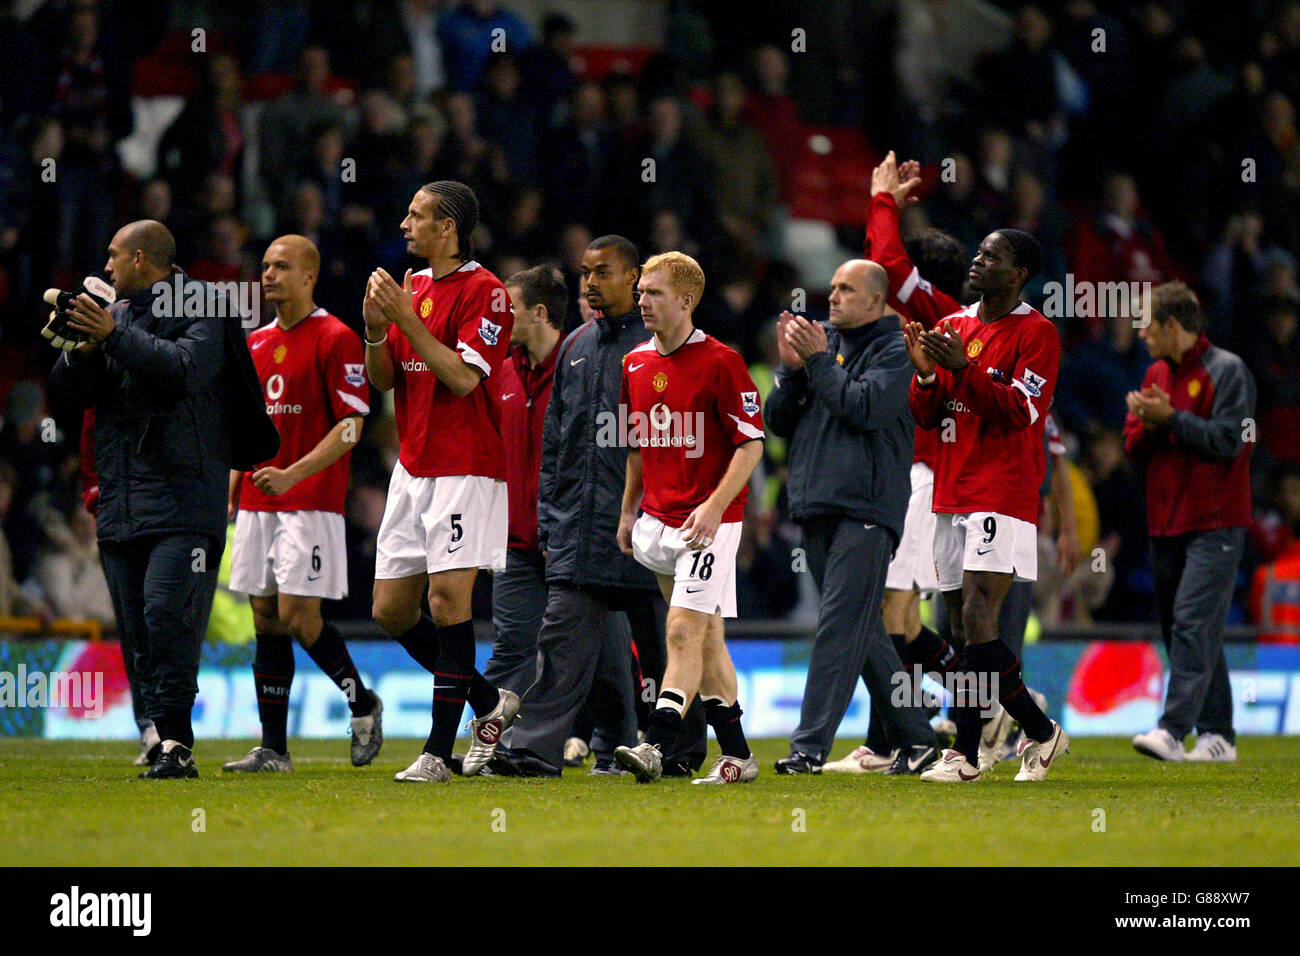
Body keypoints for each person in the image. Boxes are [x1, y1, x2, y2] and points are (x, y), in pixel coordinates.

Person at [49, 219, 277, 778]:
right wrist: (76, 347)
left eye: (113, 255)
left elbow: (182, 371)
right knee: (136, 629)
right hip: (122, 497)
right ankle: (157, 733)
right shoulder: (118, 316)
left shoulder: (210, 305)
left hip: (183, 496)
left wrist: (110, 335)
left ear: (142, 260)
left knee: (166, 614)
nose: (105, 266)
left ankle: (178, 741)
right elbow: (70, 395)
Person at [490, 236, 686, 779]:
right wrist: (553, 516)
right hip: (580, 529)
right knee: (560, 645)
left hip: (650, 527)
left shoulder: (662, 345)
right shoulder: (576, 346)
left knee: (666, 646)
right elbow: (557, 443)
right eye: (585, 272)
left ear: (633, 277)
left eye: (603, 272)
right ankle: (532, 749)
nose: (590, 282)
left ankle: (677, 748)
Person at [363, 181, 517, 783]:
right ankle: (488, 701)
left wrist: (406, 317)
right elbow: (383, 379)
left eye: (416, 215)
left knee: (447, 601)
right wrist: (377, 327)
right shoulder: (414, 288)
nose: (404, 224)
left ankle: (437, 752)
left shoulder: (489, 294)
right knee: (390, 610)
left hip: (467, 465)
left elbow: (461, 378)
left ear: (447, 226)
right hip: (414, 464)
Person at [904, 227, 1069, 782]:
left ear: (1019, 273)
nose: (976, 260)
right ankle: (1038, 735)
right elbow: (927, 415)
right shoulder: (952, 326)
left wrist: (963, 369)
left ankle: (969, 754)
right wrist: (927, 373)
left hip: (1003, 487)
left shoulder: (1038, 333)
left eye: (991, 256)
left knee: (979, 617)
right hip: (951, 486)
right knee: (959, 626)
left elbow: (1022, 412)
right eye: (977, 252)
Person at [766, 258, 939, 776]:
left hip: (867, 511)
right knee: (863, 634)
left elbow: (863, 408)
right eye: (832, 286)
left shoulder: (900, 352)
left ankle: (808, 748)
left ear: (875, 300)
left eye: (846, 289)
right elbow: (777, 422)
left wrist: (818, 362)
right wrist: (791, 370)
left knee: (839, 627)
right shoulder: (826, 349)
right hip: (816, 506)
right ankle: (918, 735)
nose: (833, 296)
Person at [223, 234, 382, 773]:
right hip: (256, 501)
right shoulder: (254, 342)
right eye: (265, 265)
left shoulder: (335, 337)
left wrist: (292, 474)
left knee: (297, 615)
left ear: (309, 275)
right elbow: (242, 428)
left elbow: (352, 426)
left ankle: (361, 701)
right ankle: (274, 749)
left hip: (309, 501)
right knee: (264, 616)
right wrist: (233, 484)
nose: (269, 275)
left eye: (282, 266)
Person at [613, 252, 766, 785]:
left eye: (654, 293)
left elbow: (751, 445)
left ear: (686, 300)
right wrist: (629, 511)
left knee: (680, 632)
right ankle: (740, 756)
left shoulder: (723, 361)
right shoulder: (634, 363)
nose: (642, 301)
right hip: (657, 519)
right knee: (705, 640)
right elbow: (636, 447)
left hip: (710, 523)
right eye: (641, 293)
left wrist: (715, 505)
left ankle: (653, 744)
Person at [1125, 282, 1255, 762]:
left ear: (1173, 325)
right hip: (1166, 521)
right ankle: (1218, 735)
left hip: (1216, 522)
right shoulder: (1157, 371)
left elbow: (1229, 441)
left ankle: (1173, 730)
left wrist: (1170, 417)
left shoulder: (1228, 371)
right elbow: (1133, 446)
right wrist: (1147, 421)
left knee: (1191, 624)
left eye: (1148, 324)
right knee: (1192, 629)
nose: (1141, 333)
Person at [483, 265, 564, 698]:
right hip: (512, 540)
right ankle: (488, 743)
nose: (497, 318)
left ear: (538, 312)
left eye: (506, 308)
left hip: (568, 541)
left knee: (589, 652)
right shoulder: (498, 369)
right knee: (509, 648)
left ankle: (608, 749)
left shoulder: (577, 368)